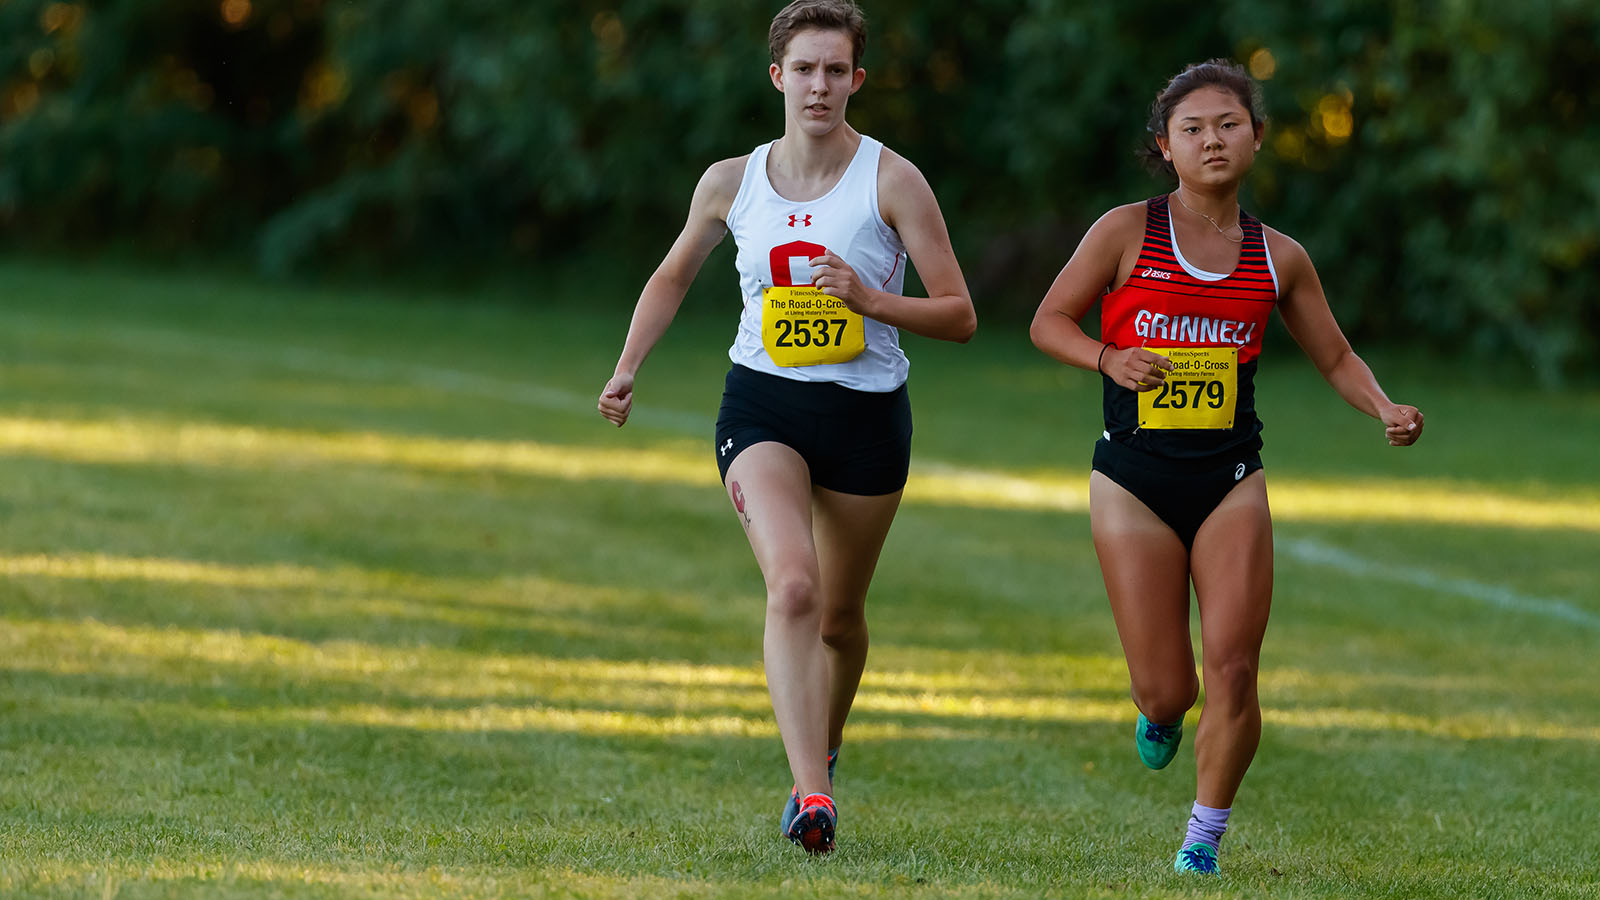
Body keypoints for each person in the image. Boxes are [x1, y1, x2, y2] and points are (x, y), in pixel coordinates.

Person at [596, 0, 976, 855]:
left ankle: (825, 748)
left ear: (857, 81)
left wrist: (870, 298)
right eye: (804, 69)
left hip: (868, 418)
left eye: (835, 70)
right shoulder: (731, 181)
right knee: (794, 587)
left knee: (839, 617)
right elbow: (669, 277)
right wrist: (627, 367)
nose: (819, 85)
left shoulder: (892, 180)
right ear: (777, 76)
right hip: (761, 405)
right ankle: (814, 796)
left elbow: (959, 315)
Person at [1029, 59, 1422, 875]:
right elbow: (1048, 321)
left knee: (1236, 667)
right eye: (1192, 128)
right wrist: (1108, 359)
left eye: (1228, 124)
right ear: (1165, 147)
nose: (1212, 139)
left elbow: (1337, 354)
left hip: (1231, 478)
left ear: (1258, 137)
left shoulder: (1280, 257)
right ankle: (1161, 714)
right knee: (1168, 688)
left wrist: (1382, 406)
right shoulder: (1125, 231)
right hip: (1133, 479)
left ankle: (1201, 842)